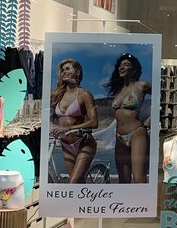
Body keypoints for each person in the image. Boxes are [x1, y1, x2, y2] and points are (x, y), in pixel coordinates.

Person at [49, 59, 98, 183]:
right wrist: (51, 125)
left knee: (73, 182)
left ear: (77, 72)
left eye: (67, 69)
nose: (64, 72)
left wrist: (67, 128)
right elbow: (46, 116)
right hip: (66, 144)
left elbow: (94, 122)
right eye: (62, 70)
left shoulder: (84, 94)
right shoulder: (56, 95)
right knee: (77, 182)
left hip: (84, 142)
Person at [107, 53, 152, 184]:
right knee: (123, 180)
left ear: (134, 70)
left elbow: (160, 97)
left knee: (139, 178)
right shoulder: (118, 90)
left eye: (126, 65)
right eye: (120, 65)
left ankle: (142, 198)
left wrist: (151, 118)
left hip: (137, 134)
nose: (122, 67)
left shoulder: (141, 85)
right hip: (119, 137)